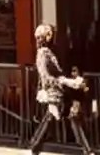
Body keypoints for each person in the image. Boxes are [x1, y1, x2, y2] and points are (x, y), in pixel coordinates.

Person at [28, 23, 95, 155]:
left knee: (61, 117)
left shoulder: (51, 51)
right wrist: (69, 82)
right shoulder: (43, 53)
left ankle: (35, 147)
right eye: (51, 34)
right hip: (54, 91)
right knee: (58, 117)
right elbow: (46, 75)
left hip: (60, 90)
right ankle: (35, 147)